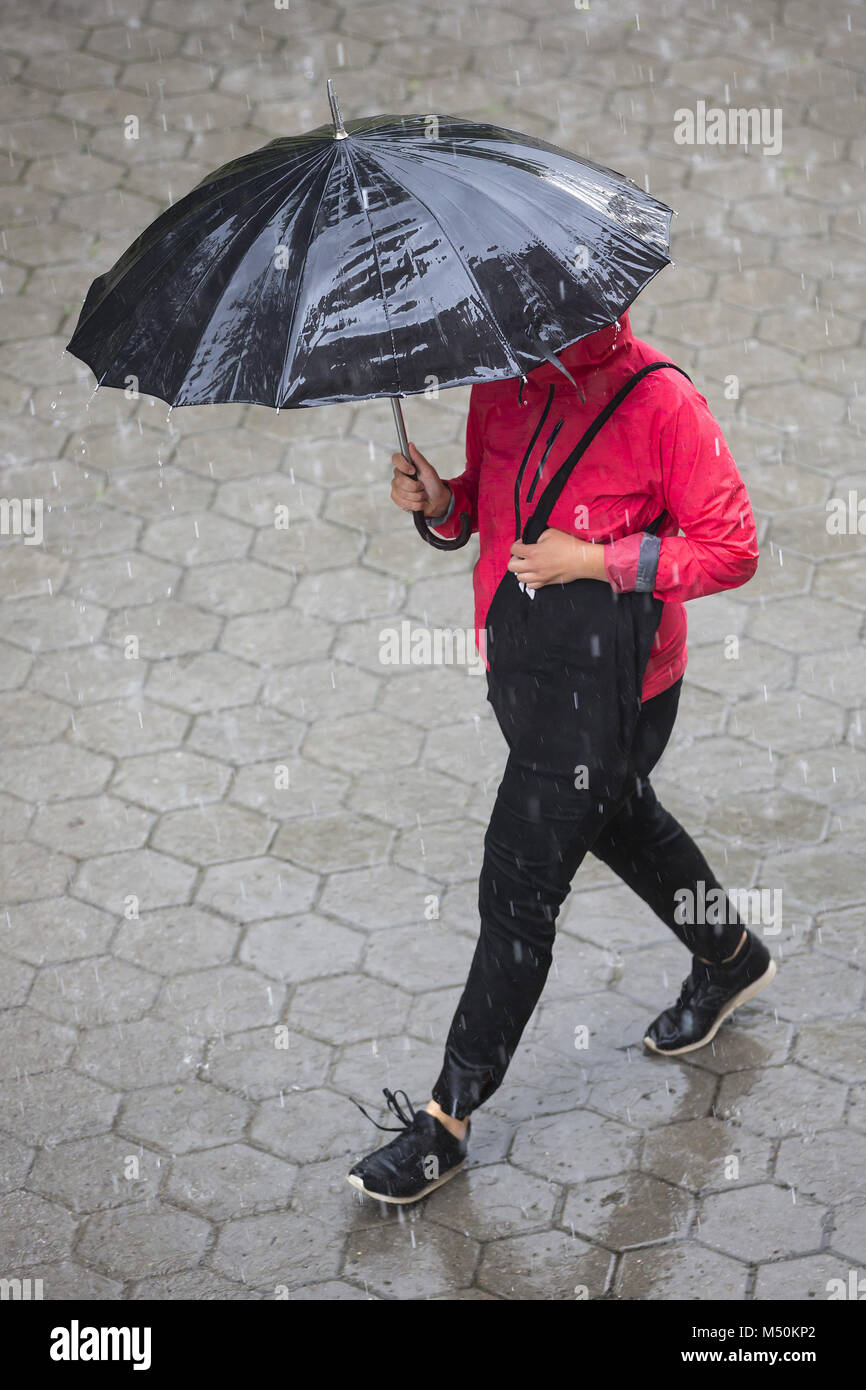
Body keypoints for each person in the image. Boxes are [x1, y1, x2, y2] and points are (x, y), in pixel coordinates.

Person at [346, 310, 773, 1205]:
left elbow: (731, 549)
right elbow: (497, 514)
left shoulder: (663, 405)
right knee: (622, 818)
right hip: (526, 674)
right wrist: (445, 504)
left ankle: (444, 1122)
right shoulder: (500, 380)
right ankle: (730, 954)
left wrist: (600, 559)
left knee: (517, 888)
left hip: (618, 694)